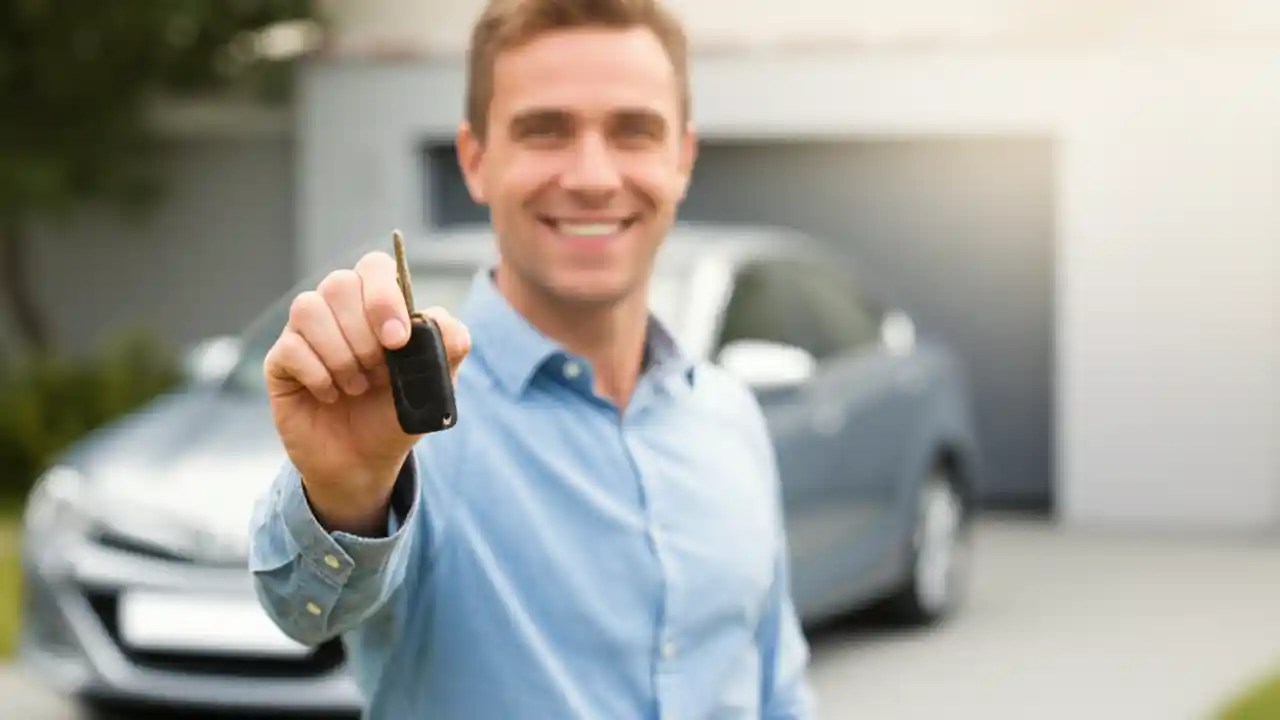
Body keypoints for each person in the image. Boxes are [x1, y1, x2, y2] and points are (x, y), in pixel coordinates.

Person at [249, 0, 814, 717]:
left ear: (682, 159)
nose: (592, 176)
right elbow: (306, 610)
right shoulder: (405, 434)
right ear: (476, 160)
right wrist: (346, 494)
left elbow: (776, 687)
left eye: (634, 131)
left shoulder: (729, 418)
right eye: (545, 130)